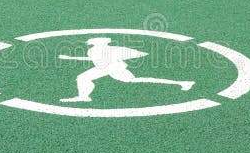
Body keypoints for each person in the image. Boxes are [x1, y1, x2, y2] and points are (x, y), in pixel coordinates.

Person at [59, 37, 195, 103]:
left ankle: (182, 82)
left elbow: (140, 53)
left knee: (134, 80)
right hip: (105, 68)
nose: (90, 42)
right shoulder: (92, 51)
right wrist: (71, 58)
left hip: (113, 68)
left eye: (93, 41)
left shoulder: (114, 50)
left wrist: (144, 54)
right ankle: (84, 96)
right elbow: (94, 61)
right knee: (83, 77)